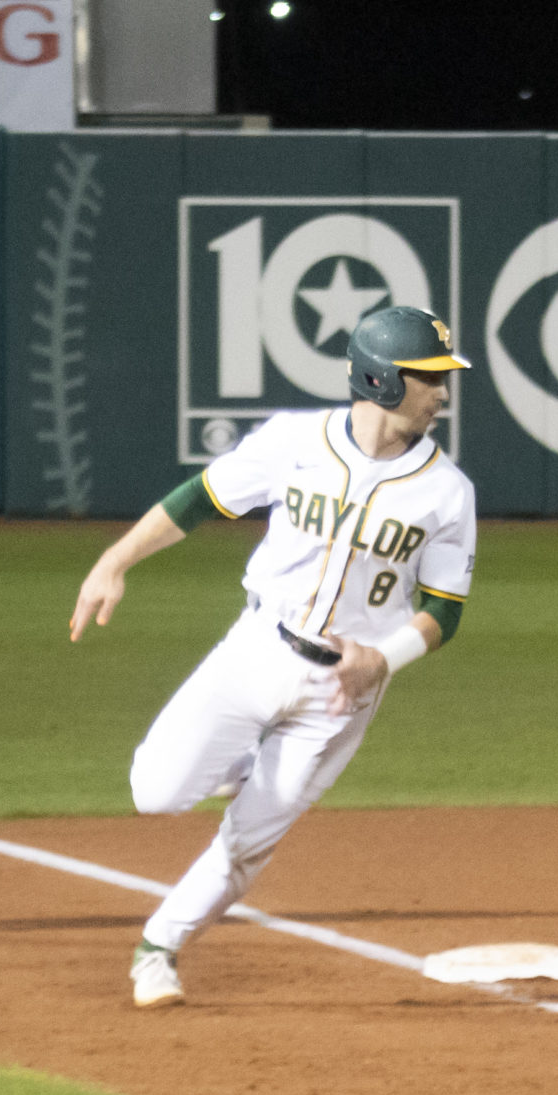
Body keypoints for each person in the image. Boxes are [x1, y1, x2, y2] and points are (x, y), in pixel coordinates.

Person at [69, 304, 477, 1009]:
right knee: (155, 792)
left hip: (344, 689)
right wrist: (116, 558)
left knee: (253, 834)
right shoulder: (294, 440)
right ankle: (240, 766)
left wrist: (385, 660)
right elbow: (200, 499)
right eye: (428, 377)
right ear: (382, 380)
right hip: (258, 646)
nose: (442, 392)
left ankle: (158, 948)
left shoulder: (448, 491)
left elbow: (444, 609)